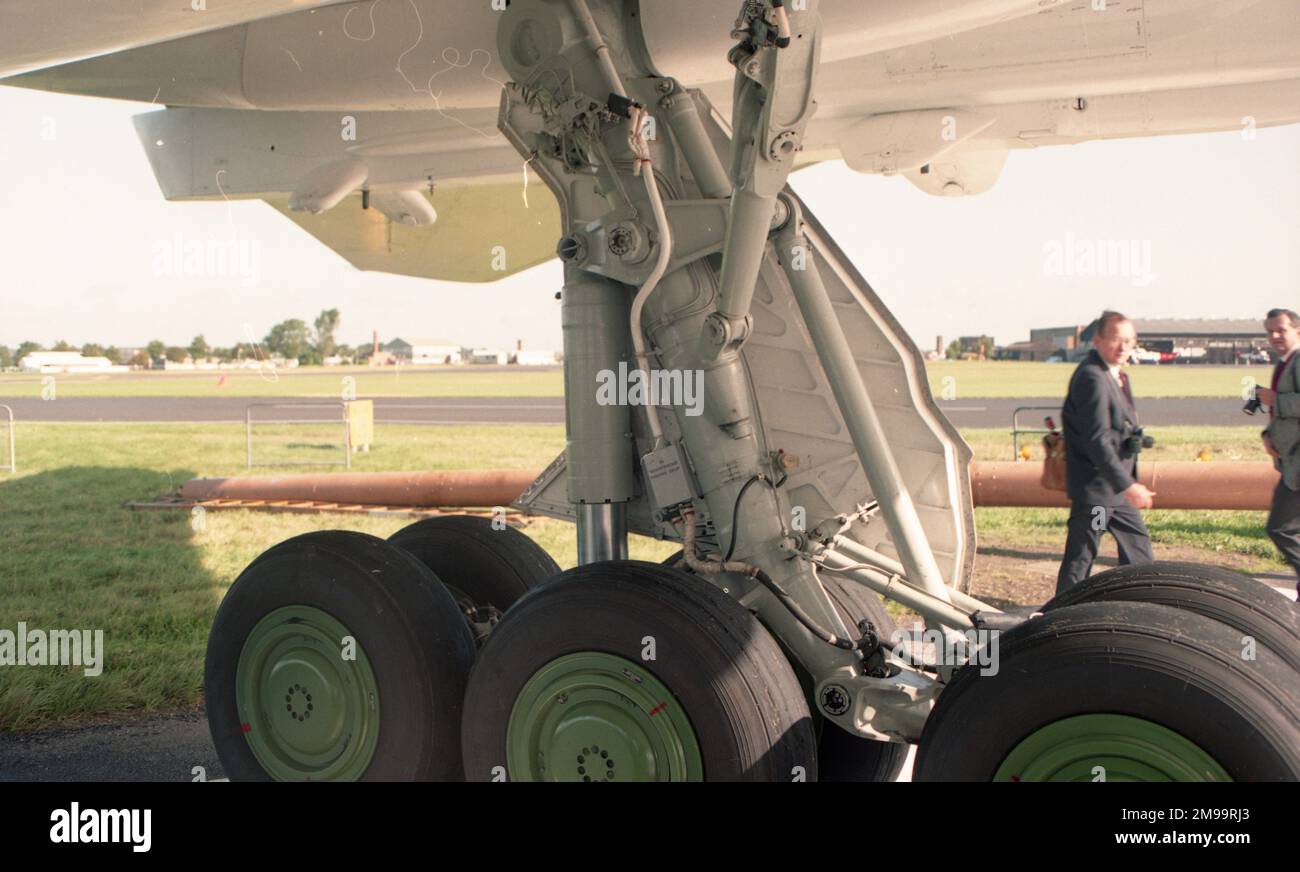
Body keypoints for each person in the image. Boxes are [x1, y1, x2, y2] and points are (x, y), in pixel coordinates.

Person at [1055, 311, 1156, 595]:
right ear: (1097, 340)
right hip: (1098, 489)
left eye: (1129, 341)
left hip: (1113, 490)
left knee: (1138, 551)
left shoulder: (1116, 375)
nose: (1123, 347)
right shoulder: (1092, 378)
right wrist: (1128, 485)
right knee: (1082, 556)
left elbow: (1110, 430)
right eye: (1115, 339)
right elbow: (1096, 439)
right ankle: (1058, 617)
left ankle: (1139, 603)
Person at [1253, 308, 1300, 596]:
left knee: (1280, 528)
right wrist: (1268, 434)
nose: (1274, 336)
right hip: (1290, 461)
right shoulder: (1284, 362)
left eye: (1281, 330)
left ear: (1297, 330)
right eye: (1270, 331)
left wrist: (1275, 400)